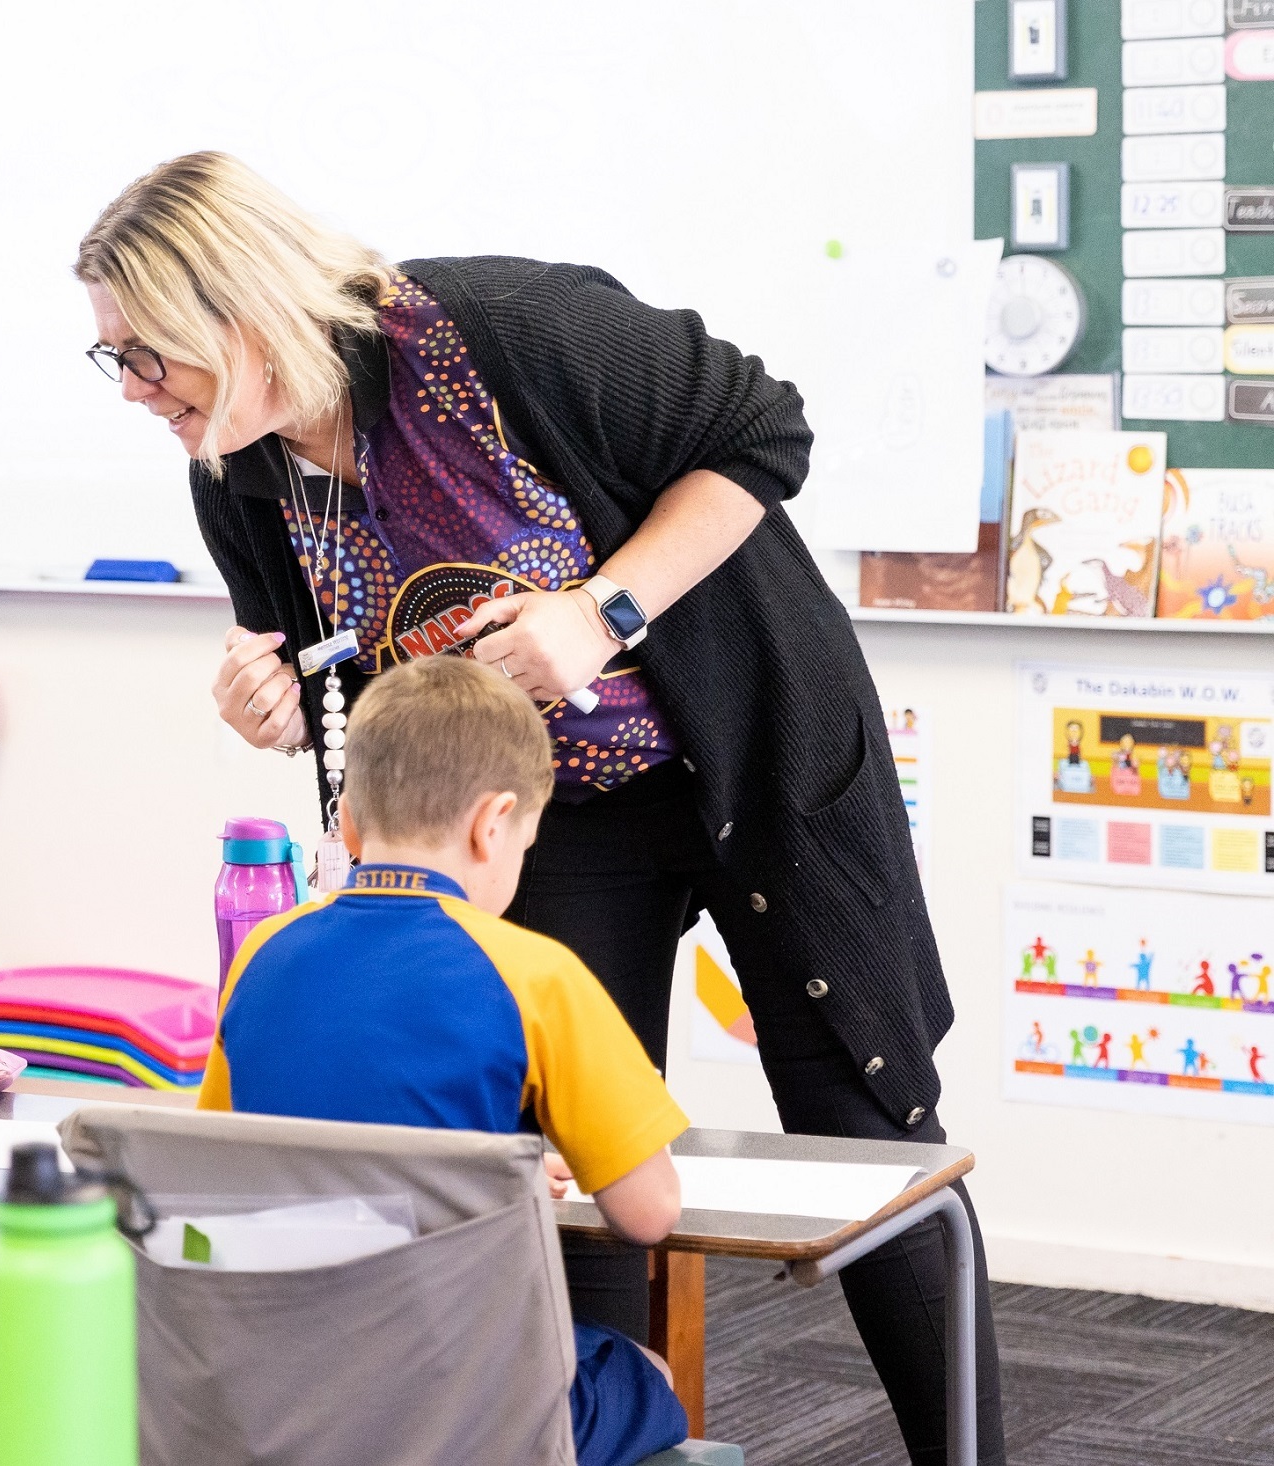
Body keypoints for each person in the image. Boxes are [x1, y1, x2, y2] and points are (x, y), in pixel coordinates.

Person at [77, 151, 1003, 1463]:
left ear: (238, 311)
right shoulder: (238, 472)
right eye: (107, 357)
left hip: (754, 755)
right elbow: (321, 678)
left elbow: (764, 431)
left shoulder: (499, 335)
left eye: (144, 354)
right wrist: (276, 703)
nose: (130, 390)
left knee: (866, 1131)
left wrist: (601, 609)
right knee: (566, 1169)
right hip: (551, 817)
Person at [200, 656, 688, 1466]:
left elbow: (226, 1161)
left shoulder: (262, 951)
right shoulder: (538, 975)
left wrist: (496, 1169)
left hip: (272, 1388)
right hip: (470, 1407)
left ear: (349, 822)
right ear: (493, 824)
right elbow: (649, 1213)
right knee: (645, 1372)